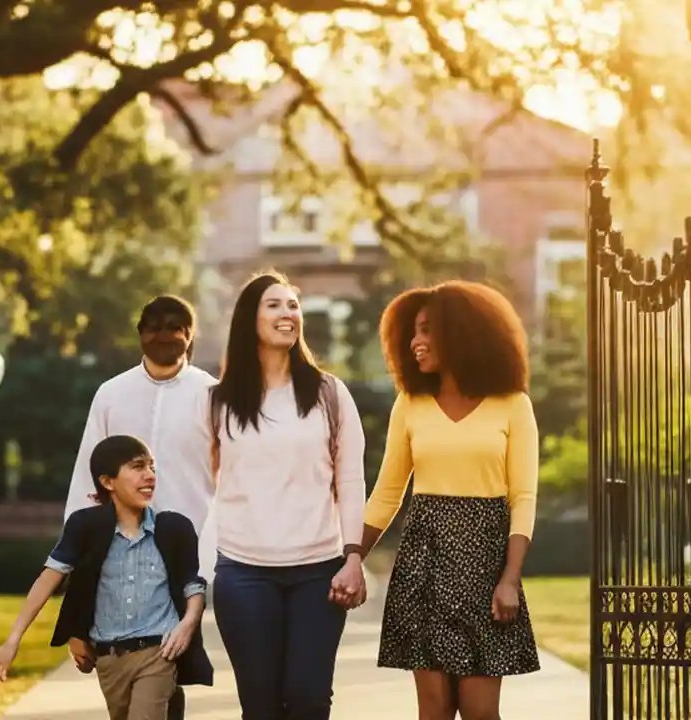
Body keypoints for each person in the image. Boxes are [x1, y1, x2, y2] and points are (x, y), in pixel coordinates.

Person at [356, 280, 541, 720]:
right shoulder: (411, 403)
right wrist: (351, 556)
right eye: (412, 333)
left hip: (486, 564)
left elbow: (523, 497)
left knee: (480, 711)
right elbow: (387, 491)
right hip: (425, 563)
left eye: (425, 331)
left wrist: (510, 577)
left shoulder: (513, 404)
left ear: (460, 333)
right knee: (434, 711)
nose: (415, 343)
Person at [202, 271, 367, 720]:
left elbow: (350, 481)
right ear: (248, 319)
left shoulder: (329, 394)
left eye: (292, 304)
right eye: (274, 304)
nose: (288, 313)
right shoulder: (217, 402)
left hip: (319, 573)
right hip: (244, 573)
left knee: (310, 700)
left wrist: (353, 557)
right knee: (260, 707)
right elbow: (199, 486)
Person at [63, 295, 217, 719]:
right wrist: (78, 556)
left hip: (185, 553)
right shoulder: (112, 394)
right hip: (118, 550)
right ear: (140, 334)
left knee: (171, 658)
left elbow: (227, 481)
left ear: (190, 335)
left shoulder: (211, 396)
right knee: (129, 675)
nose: (165, 333)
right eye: (155, 325)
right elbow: (85, 477)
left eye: (176, 325)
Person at [0, 435, 214, 720]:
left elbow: (192, 584)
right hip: (109, 659)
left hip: (159, 652)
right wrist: (13, 640)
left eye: (152, 467)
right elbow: (51, 578)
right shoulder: (86, 527)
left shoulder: (174, 528)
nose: (150, 475)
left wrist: (188, 623)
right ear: (108, 482)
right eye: (137, 467)